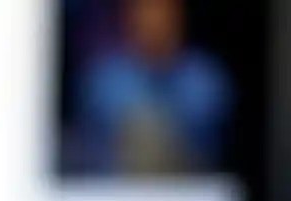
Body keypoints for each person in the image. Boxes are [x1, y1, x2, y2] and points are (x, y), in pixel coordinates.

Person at [77, 0, 232, 175]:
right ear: (129, 19)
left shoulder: (206, 79)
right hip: (115, 195)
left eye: (163, 12)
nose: (155, 22)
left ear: (179, 17)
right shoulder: (104, 80)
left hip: (190, 194)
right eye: (146, 12)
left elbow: (205, 143)